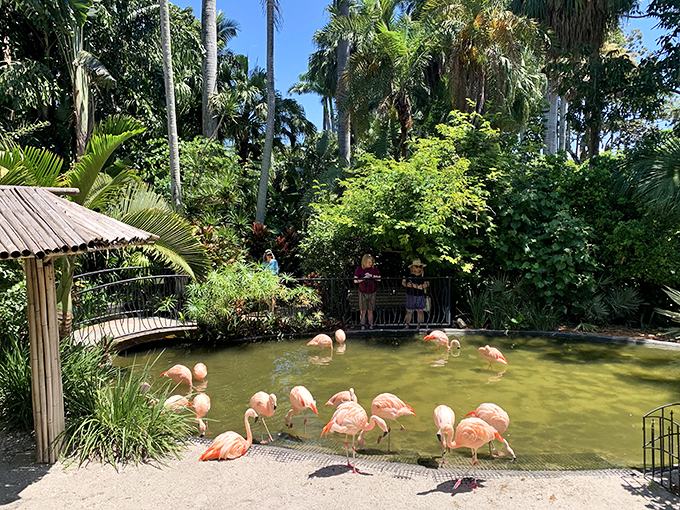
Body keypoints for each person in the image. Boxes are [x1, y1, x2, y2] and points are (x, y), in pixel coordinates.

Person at [353, 254, 381, 329]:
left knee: (370, 310)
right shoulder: (359, 269)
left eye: (371, 262)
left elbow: (379, 278)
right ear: (365, 262)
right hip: (362, 292)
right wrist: (364, 278)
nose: (370, 264)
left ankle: (371, 326)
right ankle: (362, 326)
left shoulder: (374, 268)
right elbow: (355, 280)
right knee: (363, 310)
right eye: (368, 262)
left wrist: (371, 276)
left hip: (372, 292)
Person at [402, 258, 429, 329]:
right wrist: (407, 285)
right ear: (413, 267)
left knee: (420, 311)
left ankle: (419, 325)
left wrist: (419, 286)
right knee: (409, 311)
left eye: (420, 266)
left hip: (420, 294)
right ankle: (407, 324)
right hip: (410, 294)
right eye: (417, 266)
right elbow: (403, 282)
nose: (418, 268)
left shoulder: (423, 275)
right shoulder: (408, 274)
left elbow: (427, 284)